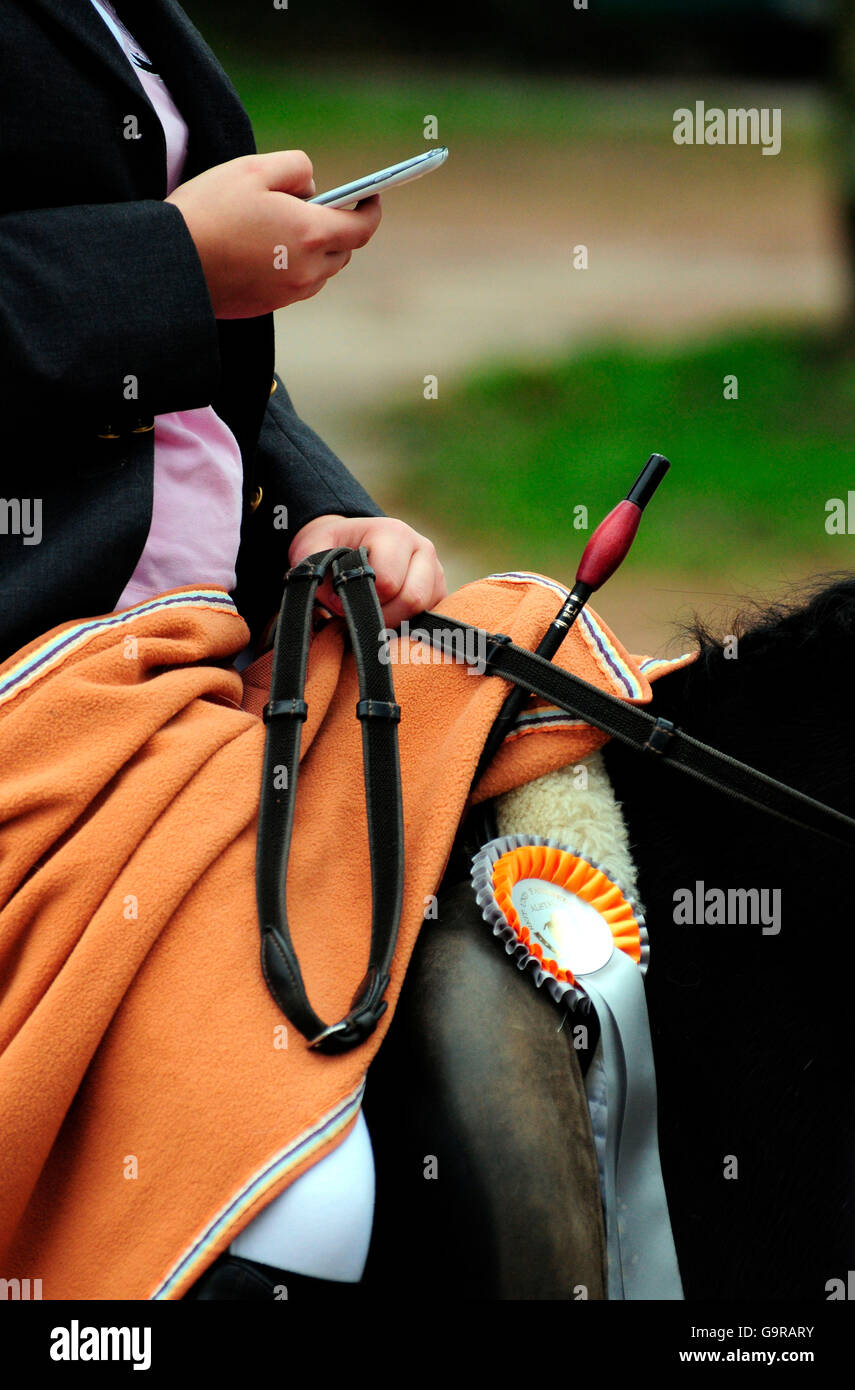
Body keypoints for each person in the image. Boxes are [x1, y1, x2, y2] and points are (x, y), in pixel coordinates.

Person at [0, 0, 447, 1297]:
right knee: (295, 1202)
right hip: (43, 672)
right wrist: (171, 263)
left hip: (212, 646)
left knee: (526, 690)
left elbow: (186, 396)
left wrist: (317, 513)